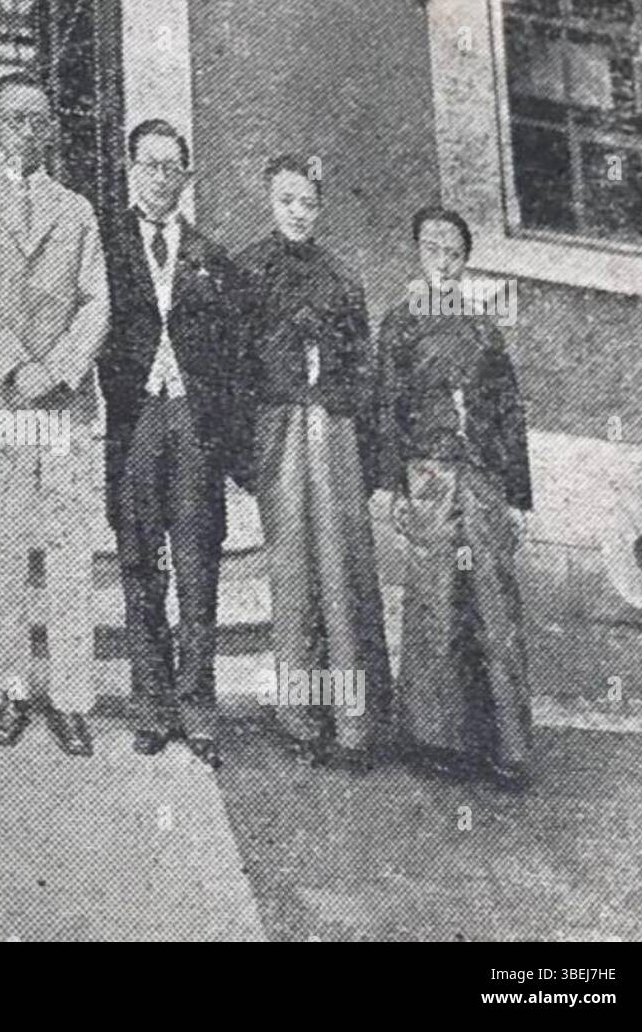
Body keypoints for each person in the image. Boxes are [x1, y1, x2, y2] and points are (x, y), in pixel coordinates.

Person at [0, 71, 109, 757]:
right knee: (7, 547)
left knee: (69, 549)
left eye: (40, 120)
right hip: (1, 396)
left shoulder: (76, 208)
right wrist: (18, 367)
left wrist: (61, 369)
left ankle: (71, 698)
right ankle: (11, 692)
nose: (28, 131)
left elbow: (95, 298)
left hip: (64, 401)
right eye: (15, 118)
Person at [97, 119, 252, 768]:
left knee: (196, 567)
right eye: (150, 165)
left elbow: (233, 353)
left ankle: (197, 707)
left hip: (192, 421)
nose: (161, 178)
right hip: (135, 418)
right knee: (140, 565)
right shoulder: (103, 246)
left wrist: (227, 436)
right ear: (132, 169)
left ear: (186, 177)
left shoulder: (212, 257)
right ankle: (152, 707)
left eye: (172, 167)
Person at [236, 154, 391, 771]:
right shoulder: (248, 271)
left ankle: (352, 724)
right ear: (270, 202)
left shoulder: (341, 277)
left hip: (335, 432)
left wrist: (364, 448)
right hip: (277, 430)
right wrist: (243, 452)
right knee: (293, 575)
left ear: (320, 206)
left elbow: (362, 366)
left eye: (308, 203)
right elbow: (235, 365)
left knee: (341, 573)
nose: (298, 213)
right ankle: (301, 718)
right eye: (286, 201)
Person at [373, 206, 533, 791]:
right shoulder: (400, 324)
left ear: (466, 260)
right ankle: (434, 738)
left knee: (495, 605)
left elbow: (510, 414)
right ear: (419, 255)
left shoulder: (486, 329)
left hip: (484, 481)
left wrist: (517, 494)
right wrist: (391, 485)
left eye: (453, 251)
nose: (442, 260)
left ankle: (505, 745)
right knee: (435, 603)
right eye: (432, 249)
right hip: (431, 478)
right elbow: (385, 409)